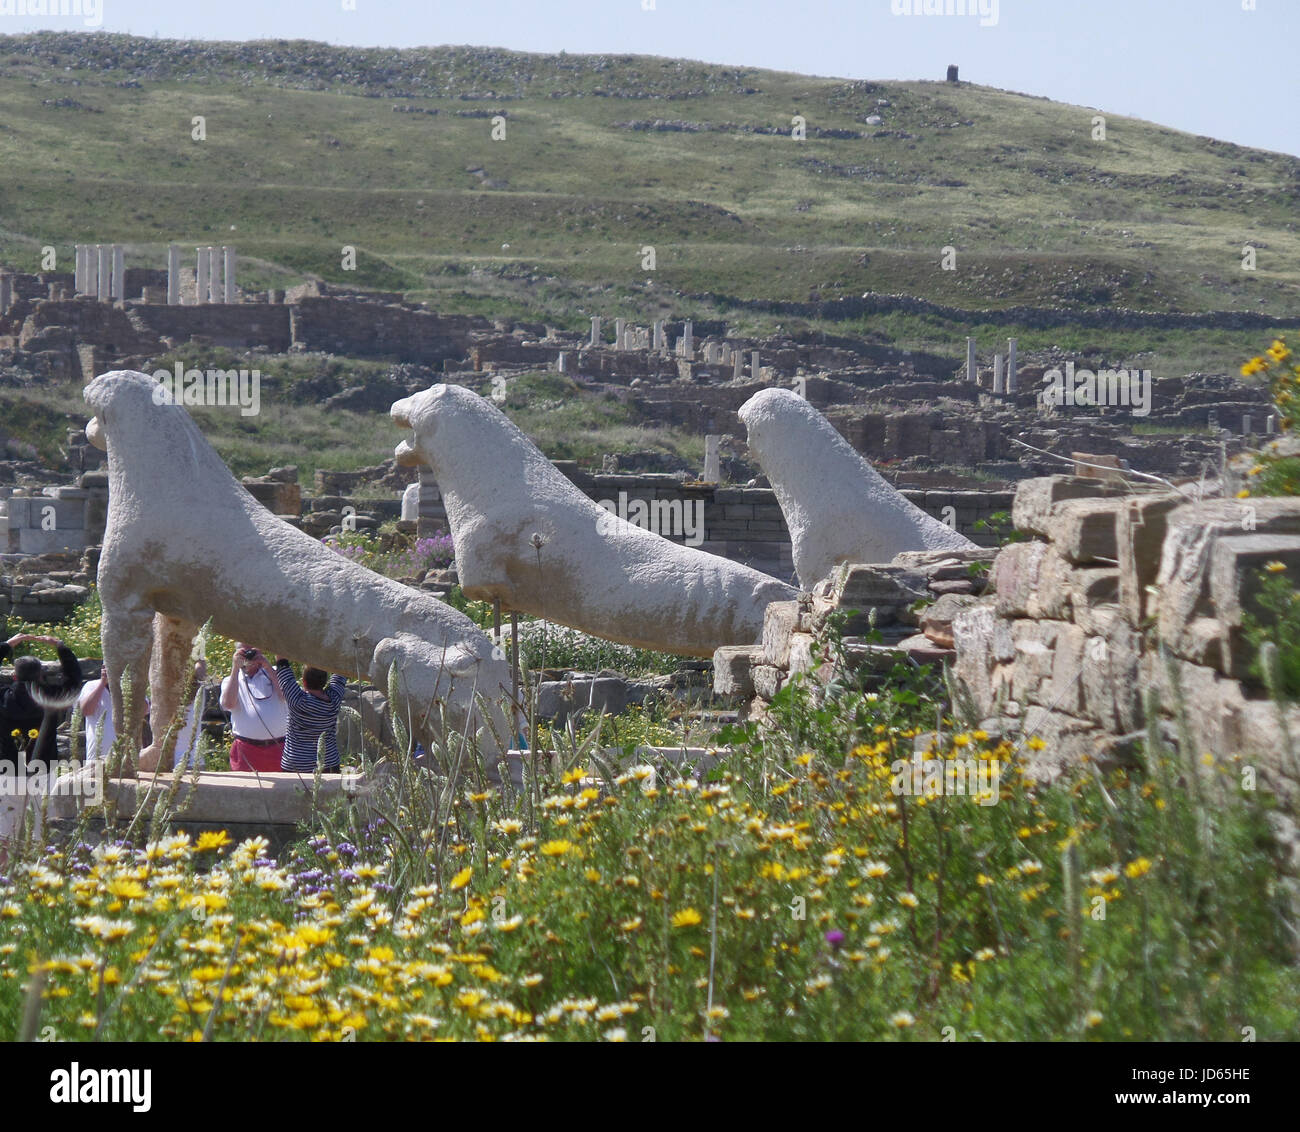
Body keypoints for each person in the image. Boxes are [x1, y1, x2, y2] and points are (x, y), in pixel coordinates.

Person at [1, 633, 83, 770]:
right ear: (40, 675)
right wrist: (61, 647)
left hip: (7, 768)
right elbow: (74, 680)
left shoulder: (3, 696)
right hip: (43, 767)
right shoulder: (51, 697)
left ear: (14, 676)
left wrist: (6, 645)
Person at [220, 644, 287, 772]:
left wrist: (267, 665)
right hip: (245, 750)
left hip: (278, 747)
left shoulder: (274, 673)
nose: (248, 656)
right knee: (245, 789)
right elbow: (228, 704)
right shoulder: (231, 680)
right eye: (243, 652)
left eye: (251, 651)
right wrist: (235, 669)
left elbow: (287, 696)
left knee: (281, 790)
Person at [273, 658, 346, 774]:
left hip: (296, 766)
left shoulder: (297, 700)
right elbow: (342, 670)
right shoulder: (334, 699)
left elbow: (282, 665)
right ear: (324, 681)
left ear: (304, 682)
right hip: (328, 765)